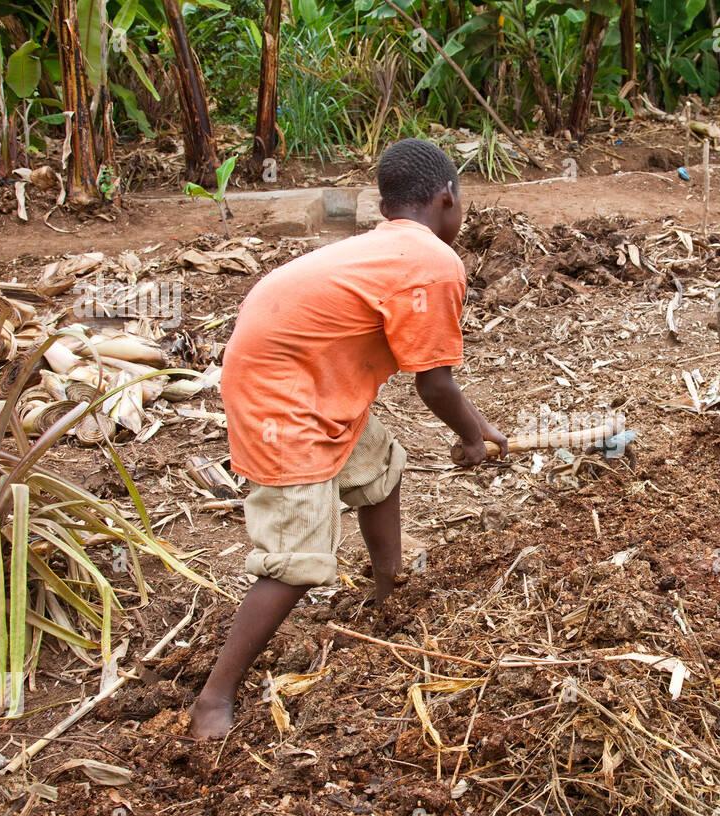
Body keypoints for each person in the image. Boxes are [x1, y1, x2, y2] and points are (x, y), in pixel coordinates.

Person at [189, 138, 507, 739]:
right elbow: (435, 386)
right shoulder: (434, 262)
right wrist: (471, 437)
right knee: (296, 558)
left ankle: (390, 592)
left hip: (309, 382)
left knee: (378, 467)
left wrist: (476, 427)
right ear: (448, 198)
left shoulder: (385, 247)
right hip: (284, 399)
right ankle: (213, 699)